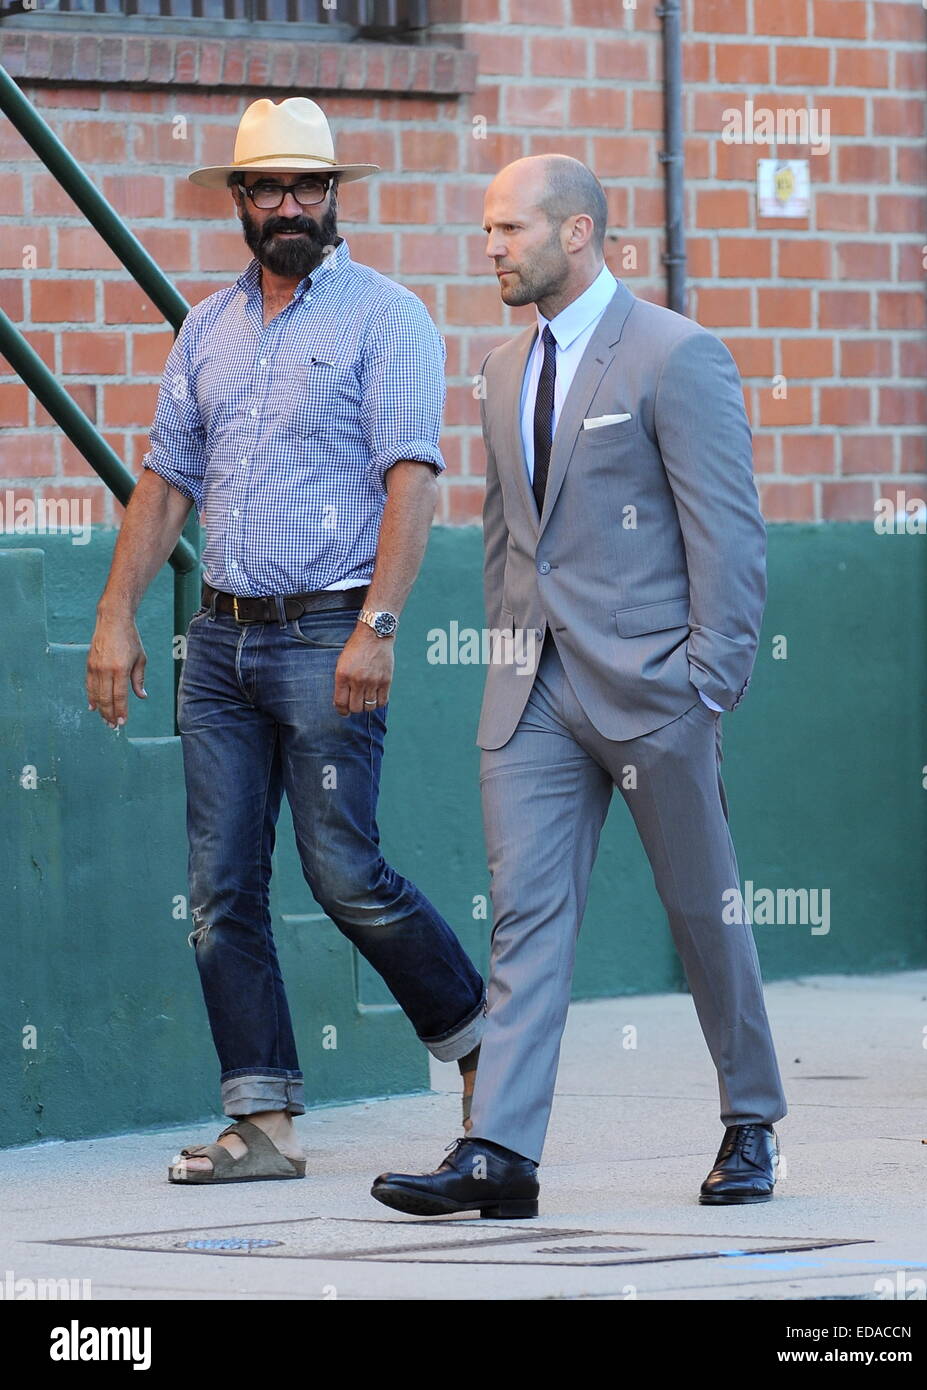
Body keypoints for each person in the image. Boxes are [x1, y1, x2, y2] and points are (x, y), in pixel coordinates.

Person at [372, 154, 787, 1218]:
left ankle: (750, 1120)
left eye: (509, 230)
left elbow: (726, 534)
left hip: (656, 687)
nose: (492, 250)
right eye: (485, 232)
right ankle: (499, 1151)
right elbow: (511, 540)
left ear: (578, 234)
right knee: (524, 917)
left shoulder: (675, 355)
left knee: (702, 910)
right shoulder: (501, 369)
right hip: (533, 694)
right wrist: (506, 668)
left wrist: (707, 682)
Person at [86, 97, 483, 1184]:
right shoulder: (207, 327)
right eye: (272, 189)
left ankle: (482, 1045)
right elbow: (167, 479)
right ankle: (260, 1121)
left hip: (328, 632)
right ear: (242, 202)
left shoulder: (383, 317)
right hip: (219, 644)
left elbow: (413, 480)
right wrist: (117, 613)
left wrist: (378, 627)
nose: (293, 206)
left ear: (334, 197)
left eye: (311, 188)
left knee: (344, 870)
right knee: (219, 893)